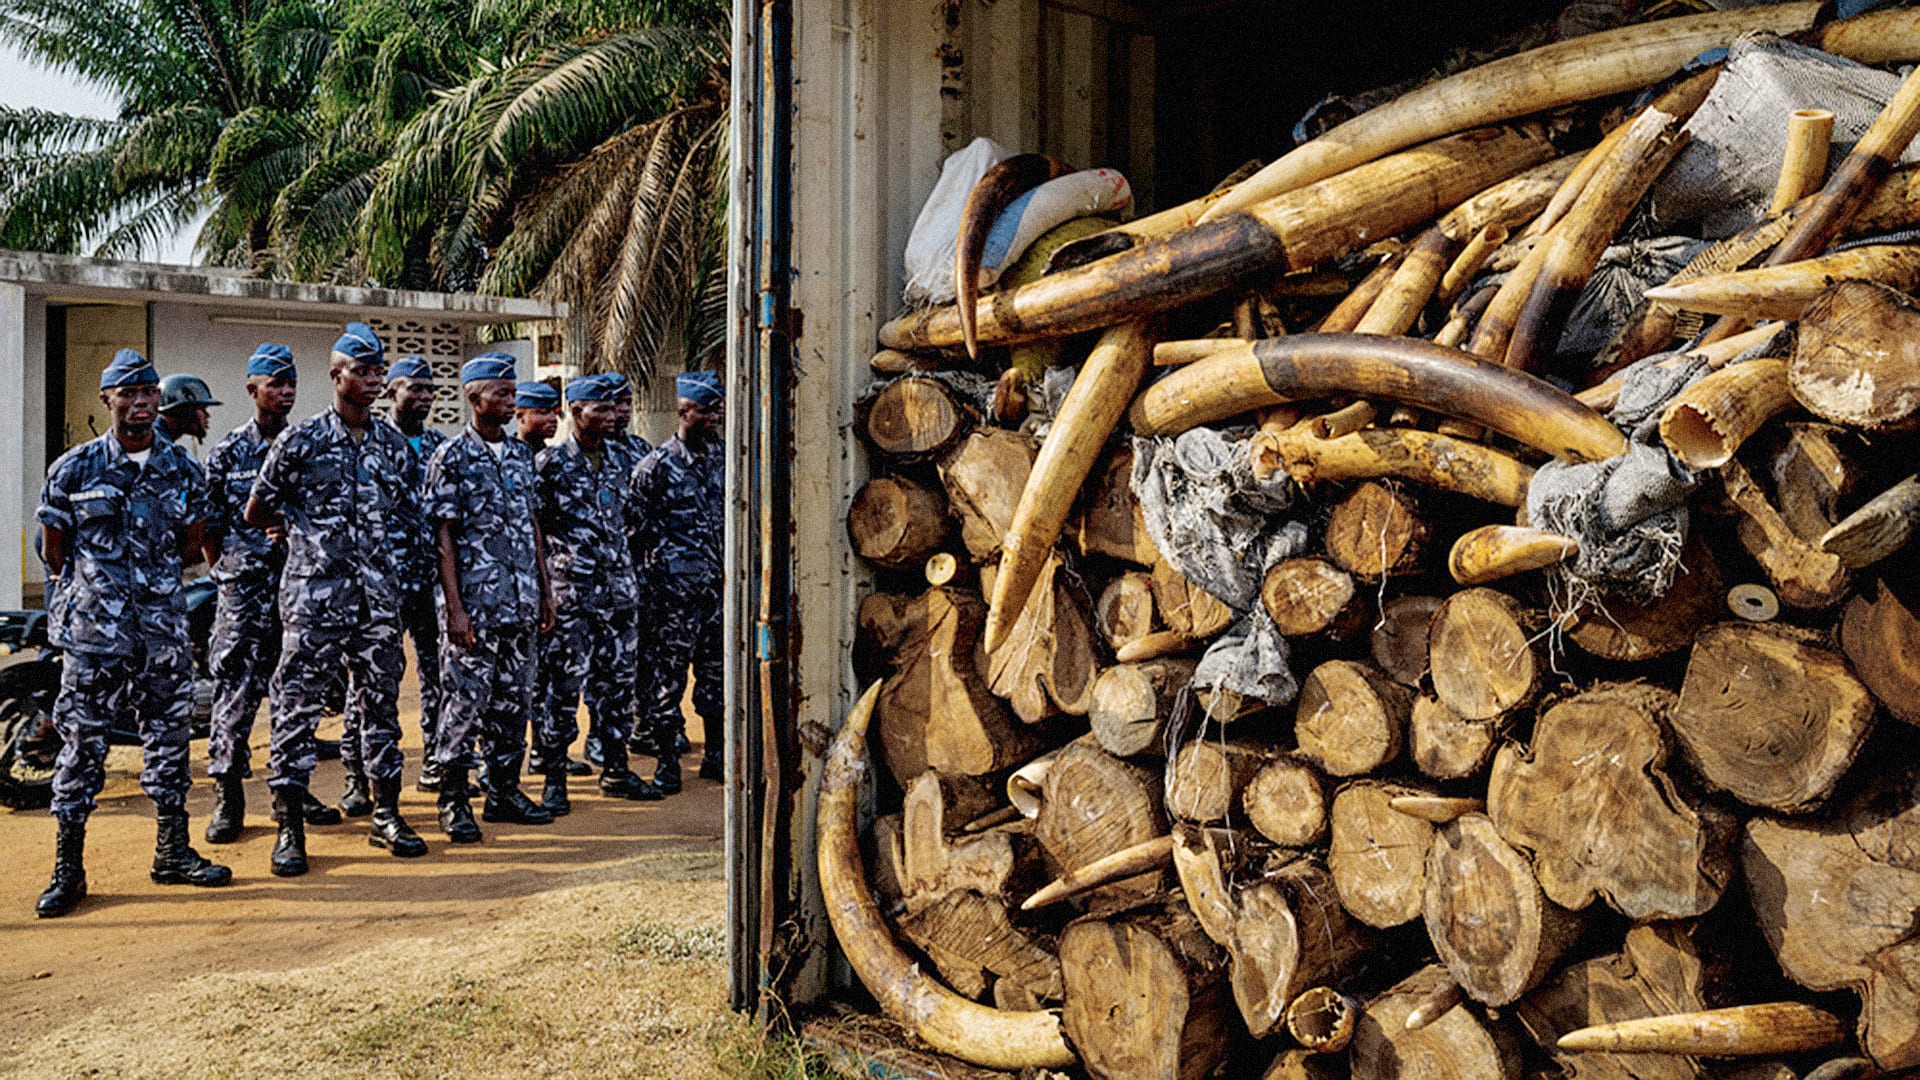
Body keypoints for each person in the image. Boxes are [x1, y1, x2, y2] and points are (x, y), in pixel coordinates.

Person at [33, 349, 230, 917]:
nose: (140, 404)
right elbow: (54, 550)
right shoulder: (74, 469)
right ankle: (68, 870)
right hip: (95, 637)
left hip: (161, 632)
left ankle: (172, 852)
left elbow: (192, 545)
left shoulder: (183, 470)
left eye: (149, 394)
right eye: (129, 394)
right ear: (108, 400)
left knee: (169, 743)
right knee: (81, 749)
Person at [247, 322, 428, 876]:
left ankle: (387, 817)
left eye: (379, 371)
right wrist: (302, 537)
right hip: (314, 600)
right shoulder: (298, 442)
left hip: (375, 603)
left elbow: (406, 514)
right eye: (363, 371)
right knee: (297, 711)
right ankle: (289, 829)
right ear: (336, 375)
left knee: (380, 709)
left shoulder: (394, 446)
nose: (374, 380)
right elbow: (257, 511)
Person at [202, 345, 343, 842]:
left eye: (292, 385)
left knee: (296, 693)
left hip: (299, 590)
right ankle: (228, 797)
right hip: (245, 592)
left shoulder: (308, 447)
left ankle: (294, 789)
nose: (285, 393)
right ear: (252, 389)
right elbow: (209, 526)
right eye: (276, 384)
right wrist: (226, 572)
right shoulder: (227, 453)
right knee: (235, 690)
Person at [424, 355, 556, 842]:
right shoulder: (451, 457)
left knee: (512, 702)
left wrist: (545, 591)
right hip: (475, 607)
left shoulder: (522, 457)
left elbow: (533, 526)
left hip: (520, 602)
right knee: (464, 702)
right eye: (501, 394)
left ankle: (503, 792)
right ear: (474, 398)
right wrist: (454, 607)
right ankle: (454, 800)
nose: (511, 402)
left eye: (512, 393)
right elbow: (443, 537)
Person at [533, 374, 662, 812]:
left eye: (613, 409)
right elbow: (537, 528)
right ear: (575, 412)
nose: (610, 417)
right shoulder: (551, 465)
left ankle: (616, 768)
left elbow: (637, 520)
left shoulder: (623, 460)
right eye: (599, 409)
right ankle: (554, 776)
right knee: (563, 688)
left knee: (617, 687)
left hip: (619, 595)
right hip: (573, 597)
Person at [629, 370, 726, 793]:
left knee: (717, 677)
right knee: (667, 681)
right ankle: (668, 759)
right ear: (685, 412)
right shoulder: (655, 467)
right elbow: (633, 532)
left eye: (718, 408)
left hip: (718, 592)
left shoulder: (730, 458)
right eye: (707, 410)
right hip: (671, 598)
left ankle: (717, 754)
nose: (716, 416)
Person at [380, 354, 450, 799]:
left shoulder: (442, 445)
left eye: (430, 390)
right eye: (414, 389)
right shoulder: (372, 442)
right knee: (378, 678)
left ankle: (435, 759)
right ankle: (362, 774)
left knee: (438, 672)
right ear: (391, 392)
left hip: (431, 580)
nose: (423, 397)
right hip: (384, 580)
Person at [155, 373, 220, 447]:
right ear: (183, 411)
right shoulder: (154, 444)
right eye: (203, 409)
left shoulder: (160, 440)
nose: (208, 416)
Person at [514, 380, 560, 452]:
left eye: (555, 412)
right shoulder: (502, 457)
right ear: (521, 417)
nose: (553, 418)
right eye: (544, 412)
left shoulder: (556, 458)